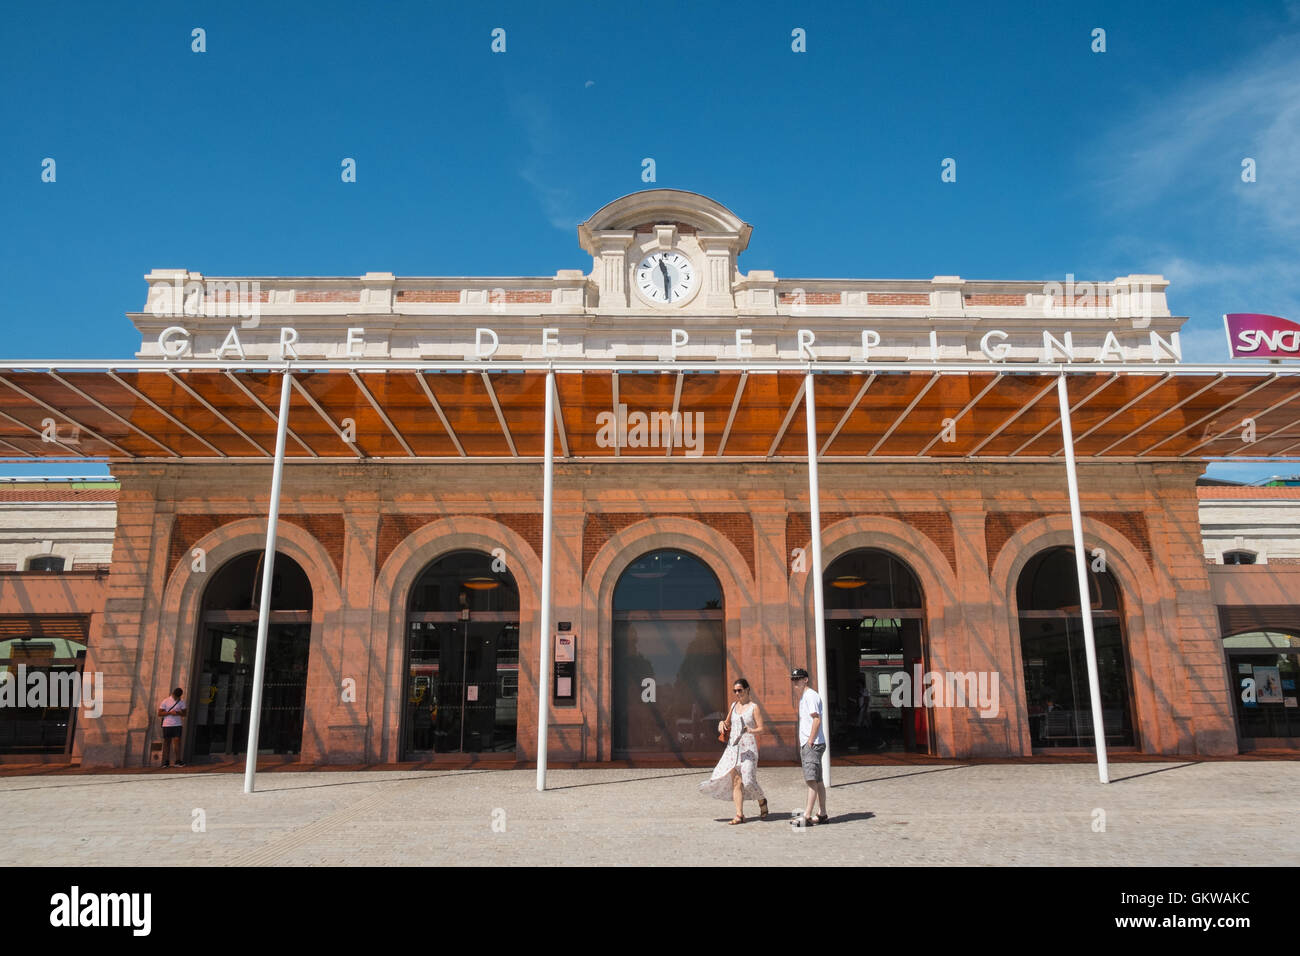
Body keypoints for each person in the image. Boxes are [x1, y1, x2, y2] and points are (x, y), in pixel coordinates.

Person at [698, 677, 768, 824]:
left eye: (740, 690)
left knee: (748, 781)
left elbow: (762, 729)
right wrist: (721, 723)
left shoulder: (754, 707)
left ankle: (761, 799)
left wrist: (751, 730)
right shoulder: (733, 706)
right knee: (736, 782)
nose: (737, 693)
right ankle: (739, 814)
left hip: (748, 748)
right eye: (735, 691)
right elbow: (727, 722)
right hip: (733, 749)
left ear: (747, 689)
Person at [791, 668, 828, 825]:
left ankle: (806, 816)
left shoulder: (810, 696)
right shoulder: (806, 697)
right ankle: (822, 814)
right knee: (818, 781)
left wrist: (810, 741)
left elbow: (816, 719)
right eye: (793, 679)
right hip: (814, 743)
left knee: (811, 780)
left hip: (812, 744)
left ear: (805, 679)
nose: (795, 682)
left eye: (798, 679)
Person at [157, 687, 186, 768]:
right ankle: (166, 761)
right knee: (167, 742)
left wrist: (177, 712)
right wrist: (170, 713)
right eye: (175, 696)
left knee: (177, 742)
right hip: (167, 724)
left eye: (178, 697)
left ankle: (177, 761)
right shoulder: (165, 701)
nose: (176, 698)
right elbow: (159, 713)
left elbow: (184, 714)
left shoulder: (182, 702)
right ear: (173, 694)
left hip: (177, 724)